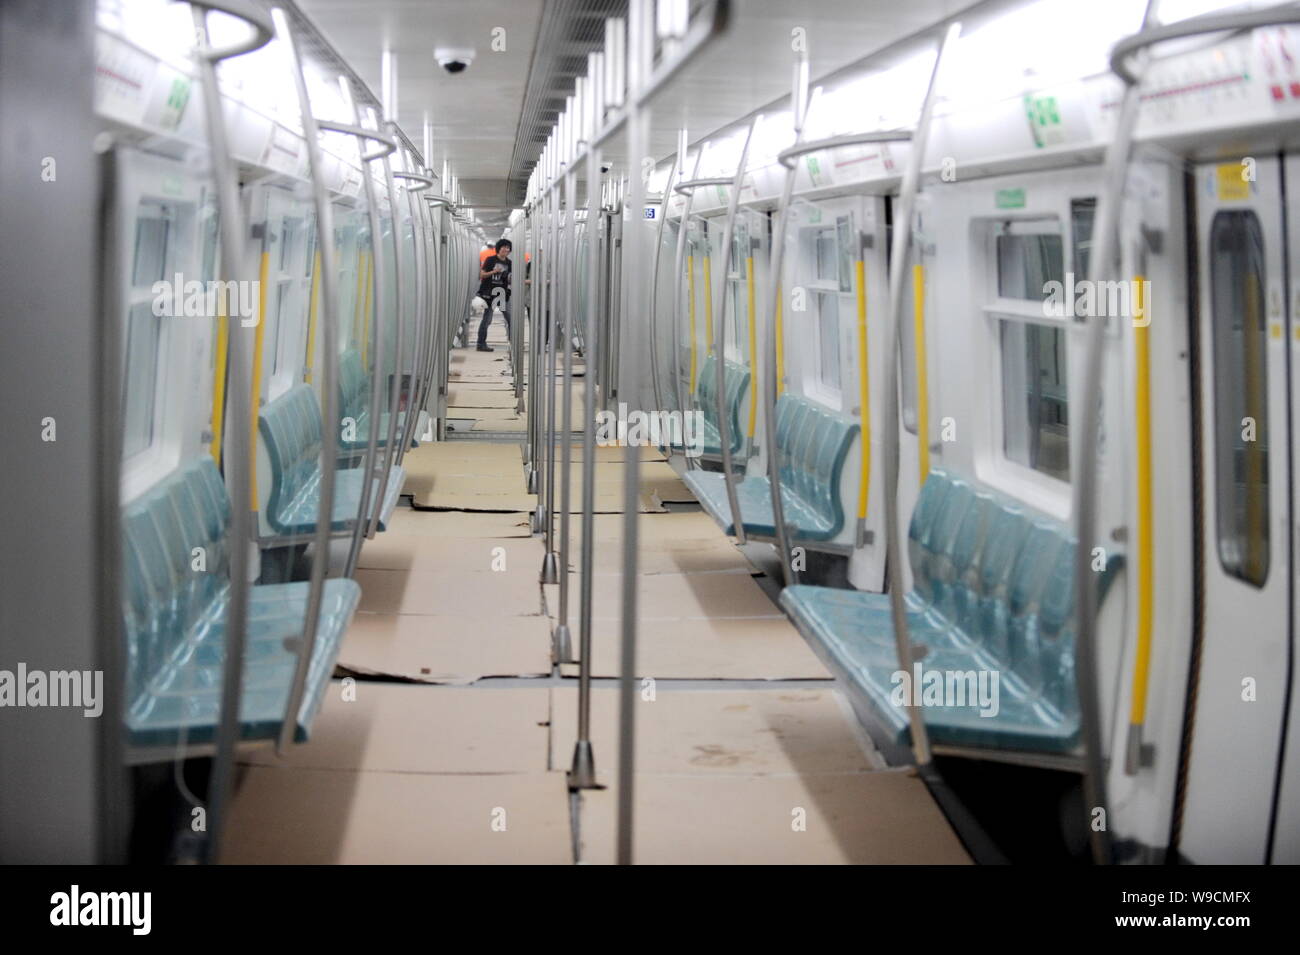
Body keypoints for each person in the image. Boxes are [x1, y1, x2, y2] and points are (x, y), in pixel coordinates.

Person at [475, 238, 512, 352]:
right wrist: (494, 272)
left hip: (502, 293)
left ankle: (514, 343)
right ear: (498, 249)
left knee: (511, 318)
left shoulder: (509, 263)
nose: (506, 249)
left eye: (508, 247)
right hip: (489, 293)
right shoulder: (490, 260)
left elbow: (509, 279)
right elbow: (482, 274)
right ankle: (481, 344)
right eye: (503, 247)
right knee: (487, 319)